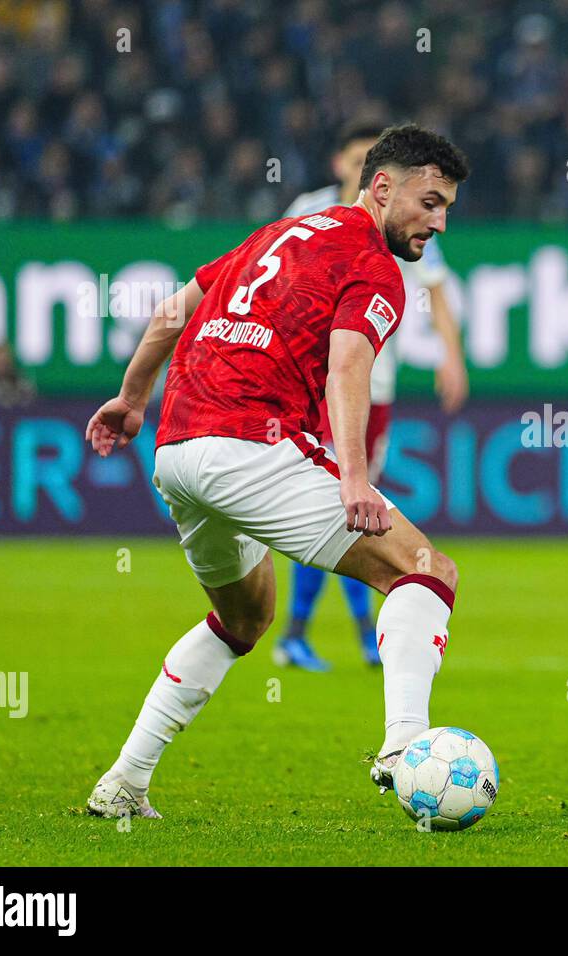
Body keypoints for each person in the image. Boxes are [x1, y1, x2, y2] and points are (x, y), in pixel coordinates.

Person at [83, 124, 470, 818]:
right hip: (251, 444)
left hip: (176, 451)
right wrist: (354, 477)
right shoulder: (374, 264)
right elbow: (349, 366)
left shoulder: (276, 233)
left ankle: (123, 784)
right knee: (427, 570)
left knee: (243, 617)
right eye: (430, 202)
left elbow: (174, 311)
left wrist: (133, 397)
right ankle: (405, 747)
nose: (438, 222)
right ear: (382, 187)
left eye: (446, 208)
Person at [273, 119, 470, 671]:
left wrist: (450, 357)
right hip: (317, 378)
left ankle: (320, 634)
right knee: (335, 501)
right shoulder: (308, 210)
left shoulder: (409, 223)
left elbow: (437, 292)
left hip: (373, 382)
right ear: (348, 167)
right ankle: (324, 633)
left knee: (353, 503)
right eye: (356, 155)